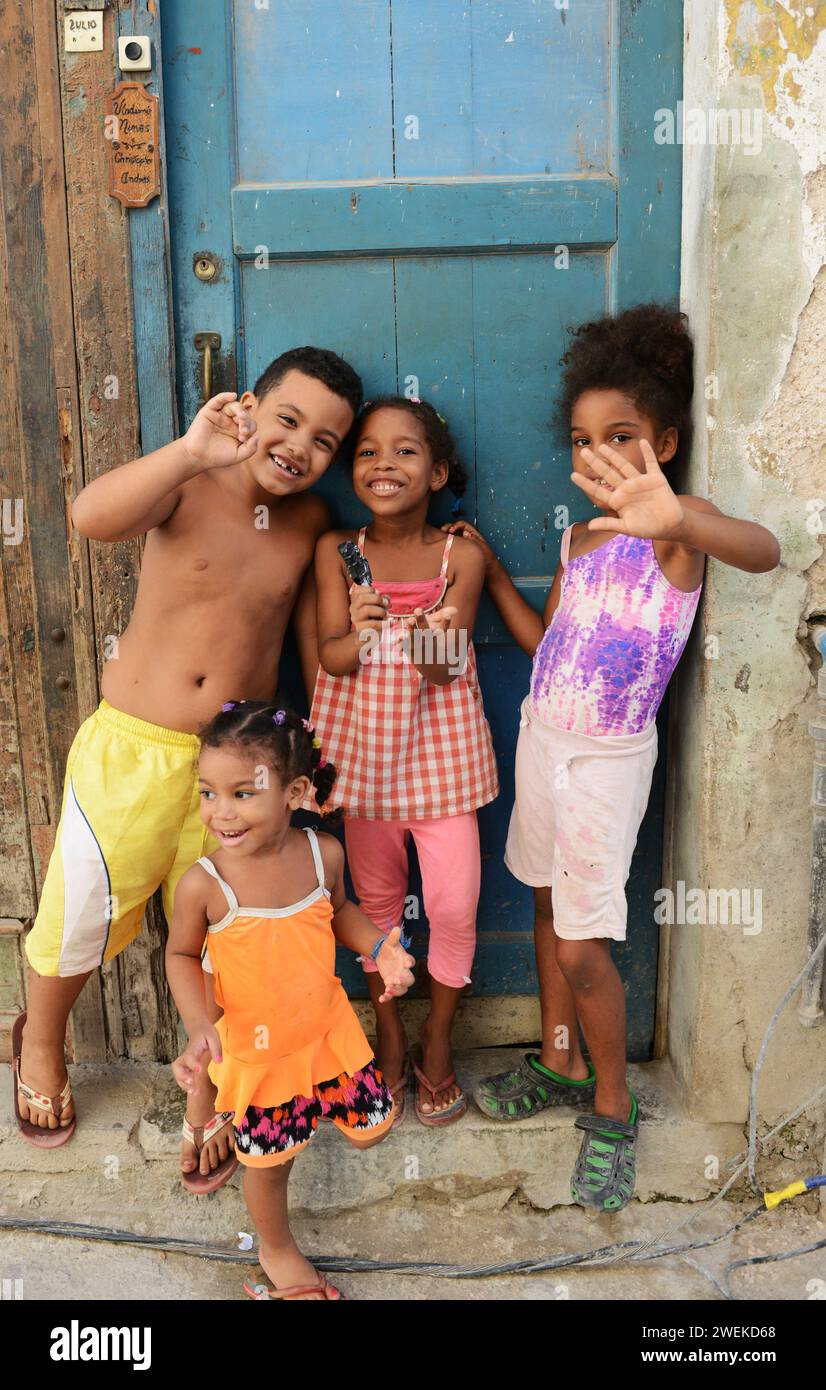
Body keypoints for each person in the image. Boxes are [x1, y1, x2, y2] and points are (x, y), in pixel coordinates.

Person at [451, 304, 780, 1210]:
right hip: (543, 741)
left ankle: (612, 1101)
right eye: (584, 440)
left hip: (607, 760)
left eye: (624, 437)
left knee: (587, 944)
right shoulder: (580, 539)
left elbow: (766, 550)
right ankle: (558, 1060)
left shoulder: (678, 530)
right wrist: (484, 576)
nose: (601, 457)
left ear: (665, 442)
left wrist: (676, 513)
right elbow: (548, 638)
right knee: (550, 913)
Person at [14, 346, 362, 1196]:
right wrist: (191, 449)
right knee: (81, 908)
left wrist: (311, 755)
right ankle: (41, 1045)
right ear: (247, 408)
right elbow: (93, 516)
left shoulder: (311, 522)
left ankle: (208, 1102)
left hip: (239, 774)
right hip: (136, 749)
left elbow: (313, 649)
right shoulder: (192, 481)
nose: (300, 447)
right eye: (288, 419)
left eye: (325, 440)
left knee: (219, 938)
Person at [168, 702, 414, 1300]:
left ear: (295, 792)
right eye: (208, 792)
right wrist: (198, 1023)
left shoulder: (322, 854)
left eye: (242, 793)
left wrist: (380, 947)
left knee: (374, 1128)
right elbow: (179, 956)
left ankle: (213, 1102)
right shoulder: (204, 884)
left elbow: (340, 913)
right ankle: (276, 1249)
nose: (220, 812)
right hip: (255, 1049)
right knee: (268, 1163)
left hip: (322, 1030)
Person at [311, 397, 499, 1126]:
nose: (384, 463)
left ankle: (439, 1033)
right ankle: (387, 1033)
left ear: (439, 471)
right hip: (367, 771)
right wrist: (359, 632)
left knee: (453, 906)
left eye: (406, 452)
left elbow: (445, 675)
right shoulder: (342, 553)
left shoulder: (463, 556)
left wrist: (430, 636)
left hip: (443, 769)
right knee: (378, 912)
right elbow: (330, 657)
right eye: (366, 451)